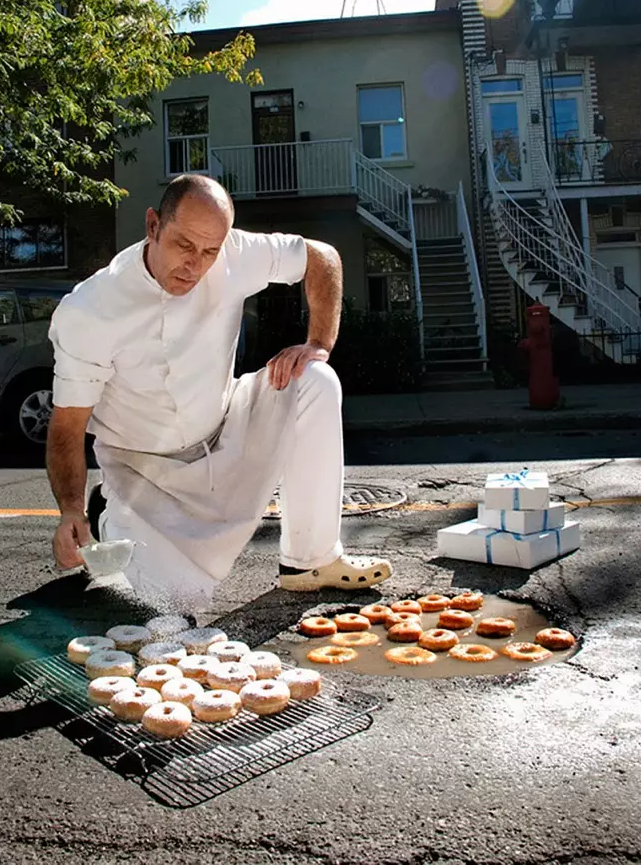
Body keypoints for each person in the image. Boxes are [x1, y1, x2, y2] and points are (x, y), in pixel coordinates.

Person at [47, 174, 392, 605]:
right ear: (153, 226)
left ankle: (312, 559)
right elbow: (67, 428)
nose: (195, 264)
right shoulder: (90, 309)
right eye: (185, 245)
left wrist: (318, 343)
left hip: (225, 430)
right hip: (145, 475)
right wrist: (69, 511)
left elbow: (322, 257)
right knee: (168, 607)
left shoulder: (234, 254)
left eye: (210, 251)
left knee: (316, 380)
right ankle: (107, 516)